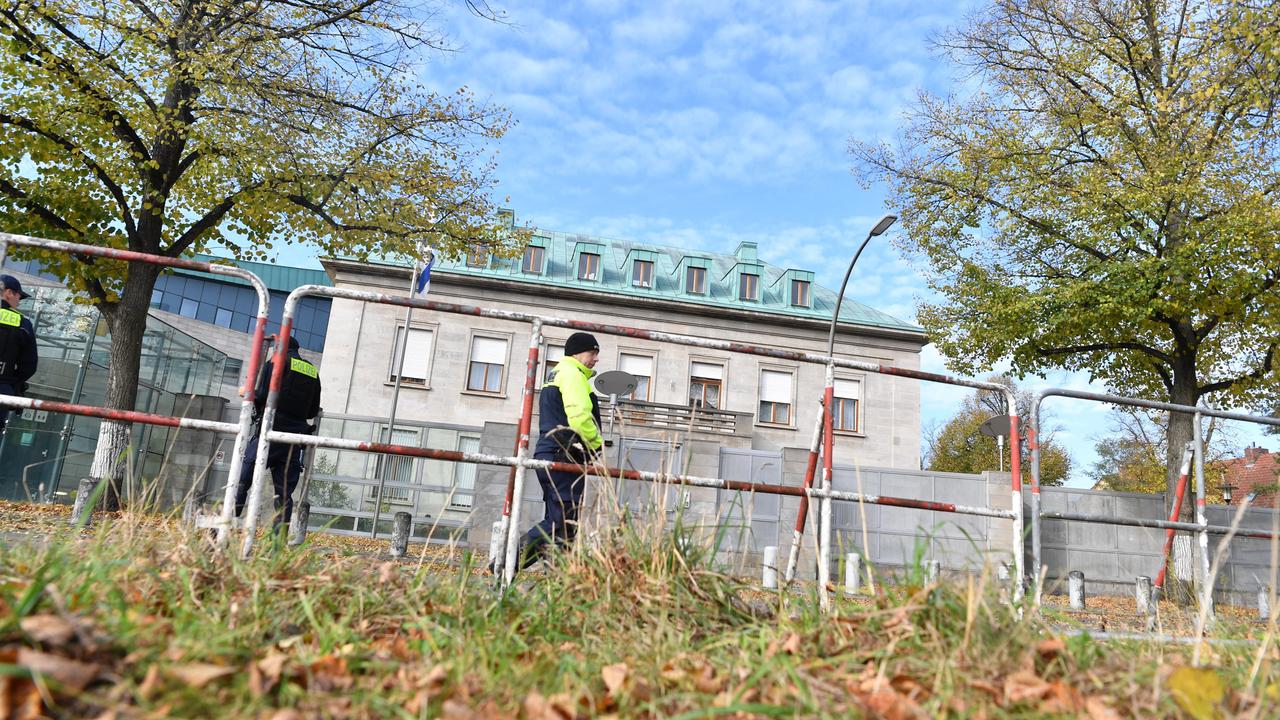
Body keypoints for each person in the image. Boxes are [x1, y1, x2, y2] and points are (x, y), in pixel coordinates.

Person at [515, 331, 604, 570]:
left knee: (564, 525)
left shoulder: (556, 374)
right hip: (564, 455)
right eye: (592, 353)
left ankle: (560, 579)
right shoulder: (572, 375)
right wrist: (596, 444)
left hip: (551, 453)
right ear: (577, 353)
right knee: (561, 523)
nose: (596, 359)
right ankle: (506, 562)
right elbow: (579, 416)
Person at [235, 335, 321, 530]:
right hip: (294, 439)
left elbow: (263, 394)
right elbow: (312, 411)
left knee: (242, 481)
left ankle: (225, 528)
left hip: (269, 431)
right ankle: (278, 542)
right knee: (283, 496)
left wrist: (245, 392)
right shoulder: (312, 371)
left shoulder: (276, 362)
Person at [0, 275, 37, 431]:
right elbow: (29, 366)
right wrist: (11, 380)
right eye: (18, 296)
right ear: (8, 293)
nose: (19, 302)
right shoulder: (22, 323)